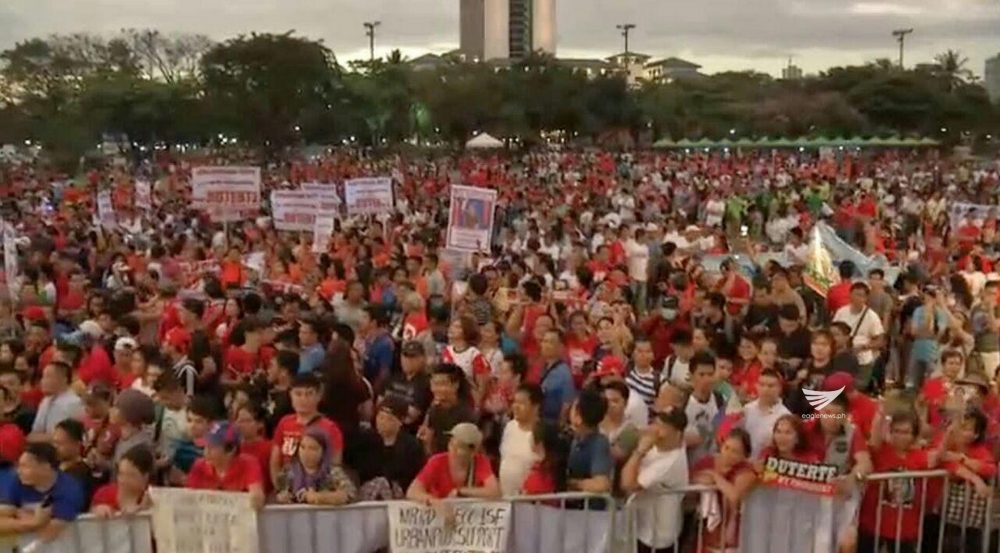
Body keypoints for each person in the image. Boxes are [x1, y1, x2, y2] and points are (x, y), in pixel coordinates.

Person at [858, 410, 936, 553]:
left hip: (904, 526)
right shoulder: (881, 451)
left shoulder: (919, 456)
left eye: (906, 432)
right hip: (873, 523)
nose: (900, 436)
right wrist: (879, 417)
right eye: (896, 431)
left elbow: (938, 457)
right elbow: (874, 440)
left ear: (913, 435)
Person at [621, 406, 689, 553]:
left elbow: (628, 484)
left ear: (677, 434)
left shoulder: (670, 463)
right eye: (656, 422)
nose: (656, 429)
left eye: (663, 426)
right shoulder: (663, 445)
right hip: (643, 526)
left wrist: (639, 452)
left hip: (657, 538)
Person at [407, 422, 500, 519]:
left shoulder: (480, 462)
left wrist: (460, 491)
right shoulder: (437, 461)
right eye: (451, 444)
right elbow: (413, 491)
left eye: (459, 447)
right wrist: (434, 502)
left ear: (472, 452)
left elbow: (494, 492)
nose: (453, 450)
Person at [270, 372, 344, 487]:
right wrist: (279, 488)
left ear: (319, 396)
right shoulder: (284, 423)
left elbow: (335, 464)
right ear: (291, 395)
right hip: (287, 486)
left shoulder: (330, 428)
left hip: (318, 488)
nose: (303, 399)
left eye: (309, 394)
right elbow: (275, 461)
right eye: (298, 394)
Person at [0, 442, 85, 542]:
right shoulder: (19, 481)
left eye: (25, 466)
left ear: (45, 466)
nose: (19, 471)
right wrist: (35, 522)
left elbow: (47, 535)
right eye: (19, 466)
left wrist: (18, 515)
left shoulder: (69, 490)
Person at [691, 429, 757, 553]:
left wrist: (715, 477)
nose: (728, 454)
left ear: (744, 456)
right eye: (726, 448)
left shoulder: (746, 471)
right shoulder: (707, 461)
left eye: (735, 452)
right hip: (703, 529)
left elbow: (734, 495)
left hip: (730, 531)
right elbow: (694, 479)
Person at [355, 398, 425, 499]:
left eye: (389, 419)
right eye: (380, 417)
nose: (382, 422)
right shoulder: (366, 441)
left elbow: (415, 475)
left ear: (400, 421)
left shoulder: (411, 446)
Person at [186, 422, 265, 509]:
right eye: (205, 447)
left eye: (211, 448)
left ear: (230, 450)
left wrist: (256, 498)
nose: (205, 453)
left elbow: (256, 493)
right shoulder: (199, 466)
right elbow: (189, 498)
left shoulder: (249, 464)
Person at [275, 427, 356, 506]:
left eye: (313, 448)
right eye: (302, 447)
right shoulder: (288, 472)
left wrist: (318, 497)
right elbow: (275, 494)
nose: (306, 453)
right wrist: (281, 498)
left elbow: (349, 494)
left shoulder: (332, 472)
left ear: (323, 451)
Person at [832, 282, 884, 391]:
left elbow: (880, 341)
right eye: (856, 294)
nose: (858, 298)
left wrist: (863, 347)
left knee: (856, 388)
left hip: (862, 360)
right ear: (850, 295)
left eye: (862, 295)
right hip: (842, 358)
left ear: (866, 298)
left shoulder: (872, 316)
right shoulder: (841, 312)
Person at [419, 363, 476, 455]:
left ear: (456, 385)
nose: (436, 389)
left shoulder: (467, 414)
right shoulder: (434, 410)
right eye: (434, 384)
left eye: (442, 384)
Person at [498, 383, 542, 497]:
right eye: (514, 402)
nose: (516, 407)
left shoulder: (541, 433)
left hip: (530, 502)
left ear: (535, 406)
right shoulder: (509, 427)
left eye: (521, 403)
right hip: (506, 499)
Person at [566, 388, 613, 495]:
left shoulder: (599, 443)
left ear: (579, 417)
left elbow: (601, 484)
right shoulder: (571, 437)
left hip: (590, 509)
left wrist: (571, 484)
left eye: (573, 407)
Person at [739, 369, 790, 457]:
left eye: (771, 386)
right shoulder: (746, 409)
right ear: (756, 386)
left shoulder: (785, 416)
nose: (765, 389)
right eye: (762, 385)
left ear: (780, 388)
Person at [91, 445, 154, 517]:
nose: (123, 480)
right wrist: (97, 510)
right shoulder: (104, 494)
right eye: (121, 474)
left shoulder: (153, 498)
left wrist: (141, 511)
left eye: (130, 475)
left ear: (145, 478)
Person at [383, 341, 432, 433]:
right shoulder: (393, 378)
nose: (408, 360)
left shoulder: (426, 383)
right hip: (386, 426)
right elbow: (380, 404)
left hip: (409, 432)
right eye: (405, 356)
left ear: (423, 358)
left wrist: (391, 402)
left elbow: (413, 415)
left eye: (413, 357)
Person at [29, 361, 83, 441]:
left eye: (48, 377)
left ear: (64, 379)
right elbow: (33, 435)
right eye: (43, 377)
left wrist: (44, 437)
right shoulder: (45, 401)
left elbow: (61, 438)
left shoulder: (74, 403)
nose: (43, 381)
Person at [537, 329, 575, 423]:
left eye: (551, 342)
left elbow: (566, 403)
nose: (546, 345)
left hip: (552, 423)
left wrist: (560, 426)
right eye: (544, 341)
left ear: (561, 347)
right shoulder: (544, 367)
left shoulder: (563, 372)